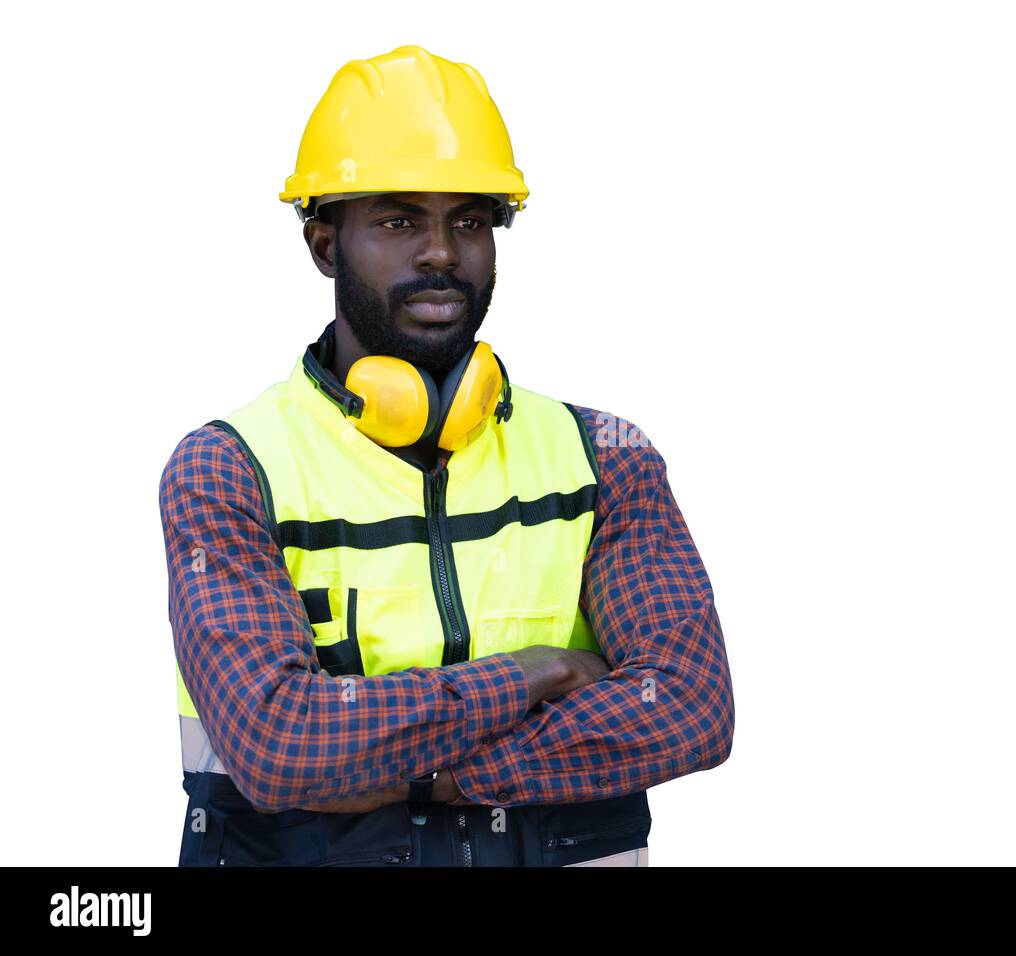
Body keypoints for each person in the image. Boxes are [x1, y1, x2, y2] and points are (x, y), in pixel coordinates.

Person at [158, 44, 735, 866]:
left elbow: (688, 709)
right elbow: (279, 744)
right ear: (325, 246)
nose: (441, 252)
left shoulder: (604, 458)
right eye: (399, 221)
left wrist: (427, 775)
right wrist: (536, 674)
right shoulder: (229, 468)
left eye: (468, 220)